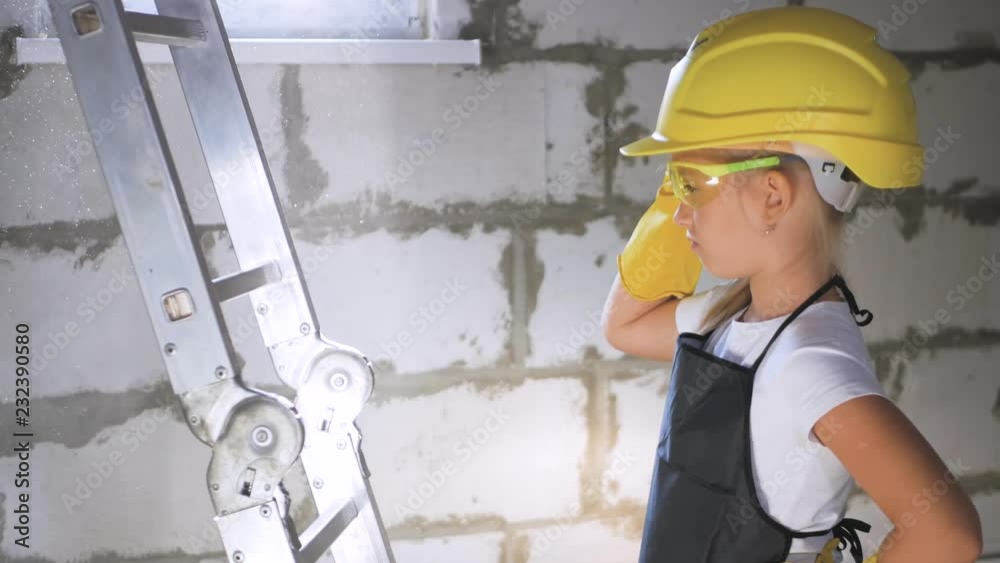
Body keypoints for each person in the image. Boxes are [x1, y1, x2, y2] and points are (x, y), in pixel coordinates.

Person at [601, 6, 983, 563]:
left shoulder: (809, 362)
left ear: (773, 196)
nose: (679, 211)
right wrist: (683, 177)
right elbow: (624, 326)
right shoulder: (731, 316)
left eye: (688, 185)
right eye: (672, 186)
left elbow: (948, 534)